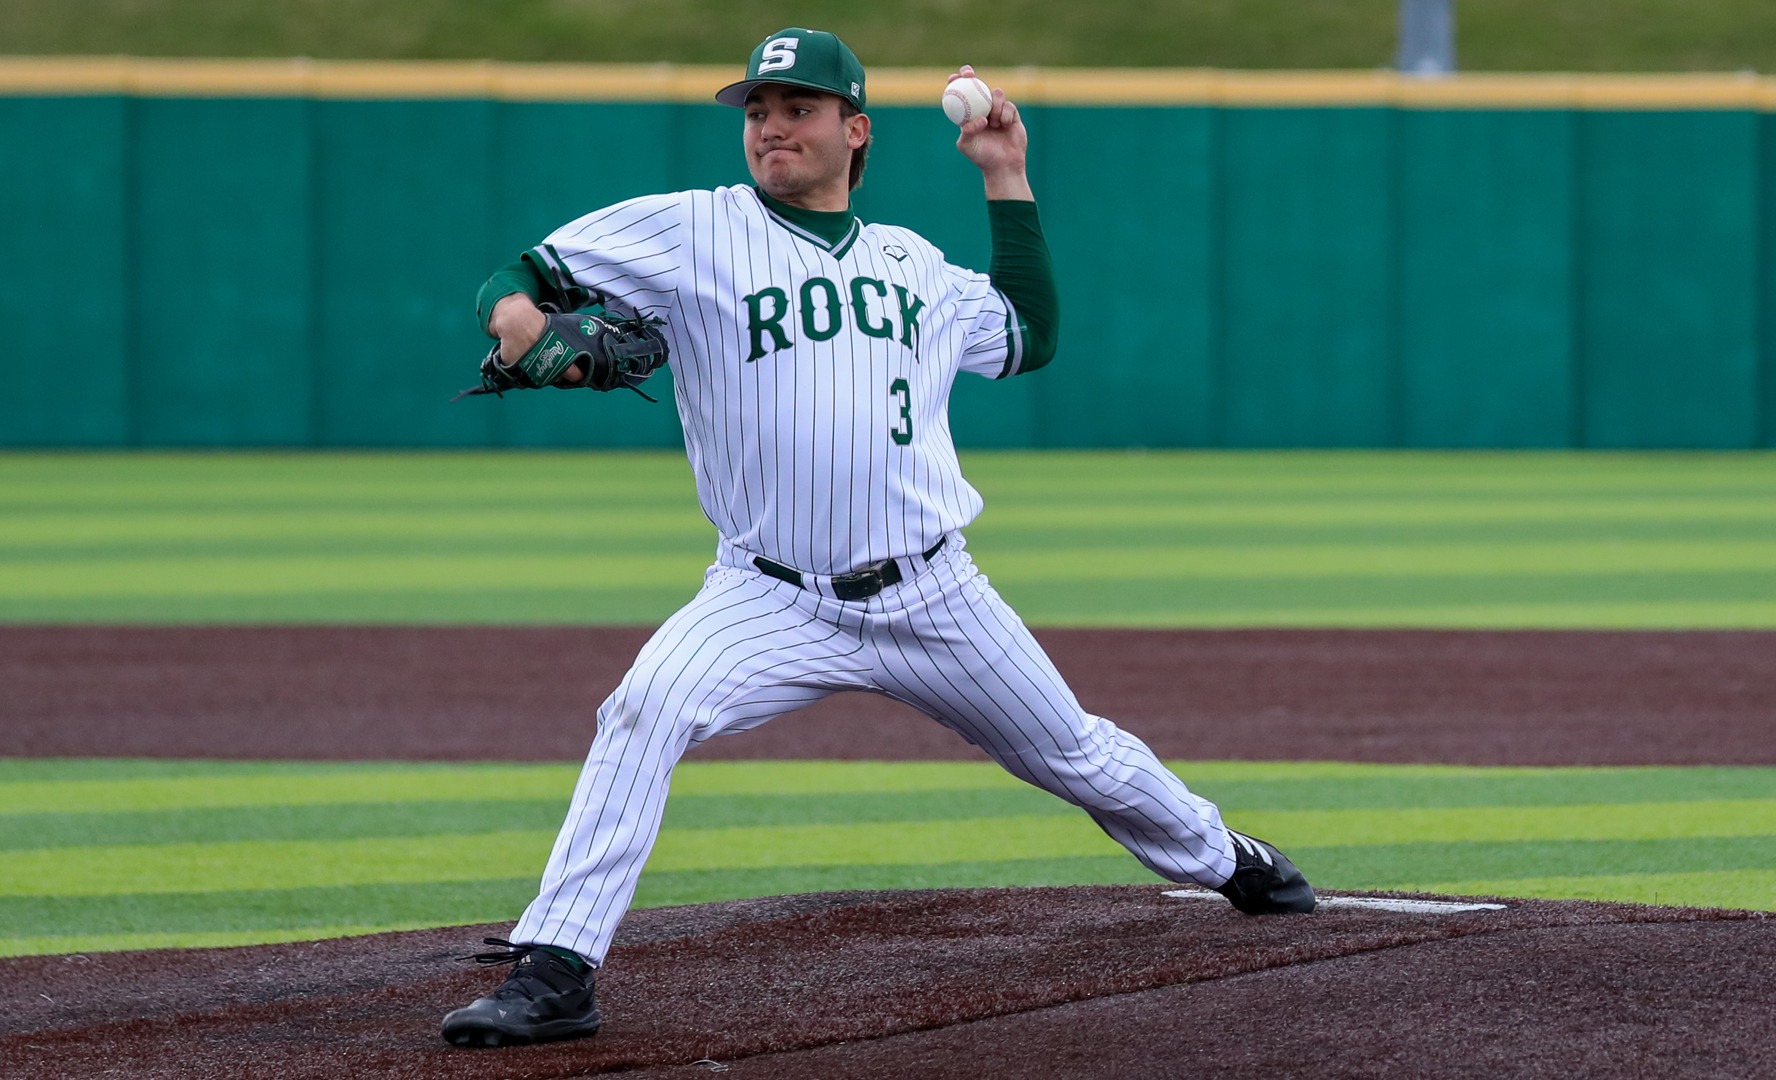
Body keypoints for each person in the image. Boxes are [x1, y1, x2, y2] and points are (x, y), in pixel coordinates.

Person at [441, 28, 1315, 1050]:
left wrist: (1006, 175)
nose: (771, 126)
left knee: (1075, 754)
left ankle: (1226, 858)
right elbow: (519, 273)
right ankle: (558, 968)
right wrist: (517, 317)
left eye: (798, 108)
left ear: (854, 131)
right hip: (766, 595)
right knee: (643, 711)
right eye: (759, 111)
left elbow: (1030, 336)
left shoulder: (913, 264)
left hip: (935, 595)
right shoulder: (689, 231)